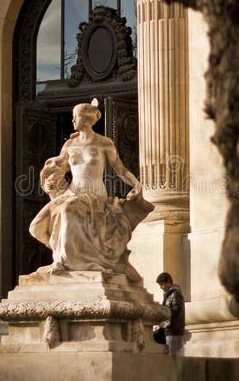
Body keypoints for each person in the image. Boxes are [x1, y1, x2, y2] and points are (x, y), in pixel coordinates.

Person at [29, 99, 153, 278]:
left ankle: (62, 261)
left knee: (67, 209)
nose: (72, 121)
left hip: (94, 194)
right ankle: (65, 257)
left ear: (86, 118)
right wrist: (50, 183)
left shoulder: (104, 143)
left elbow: (120, 169)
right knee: (37, 225)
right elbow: (59, 169)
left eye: (75, 117)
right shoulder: (69, 145)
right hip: (73, 192)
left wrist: (137, 184)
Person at [156, 272, 186, 355]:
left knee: (172, 355)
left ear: (169, 281)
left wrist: (164, 310)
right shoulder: (168, 295)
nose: (161, 287)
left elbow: (177, 309)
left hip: (174, 329)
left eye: (162, 284)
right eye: (160, 285)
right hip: (168, 328)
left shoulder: (175, 293)